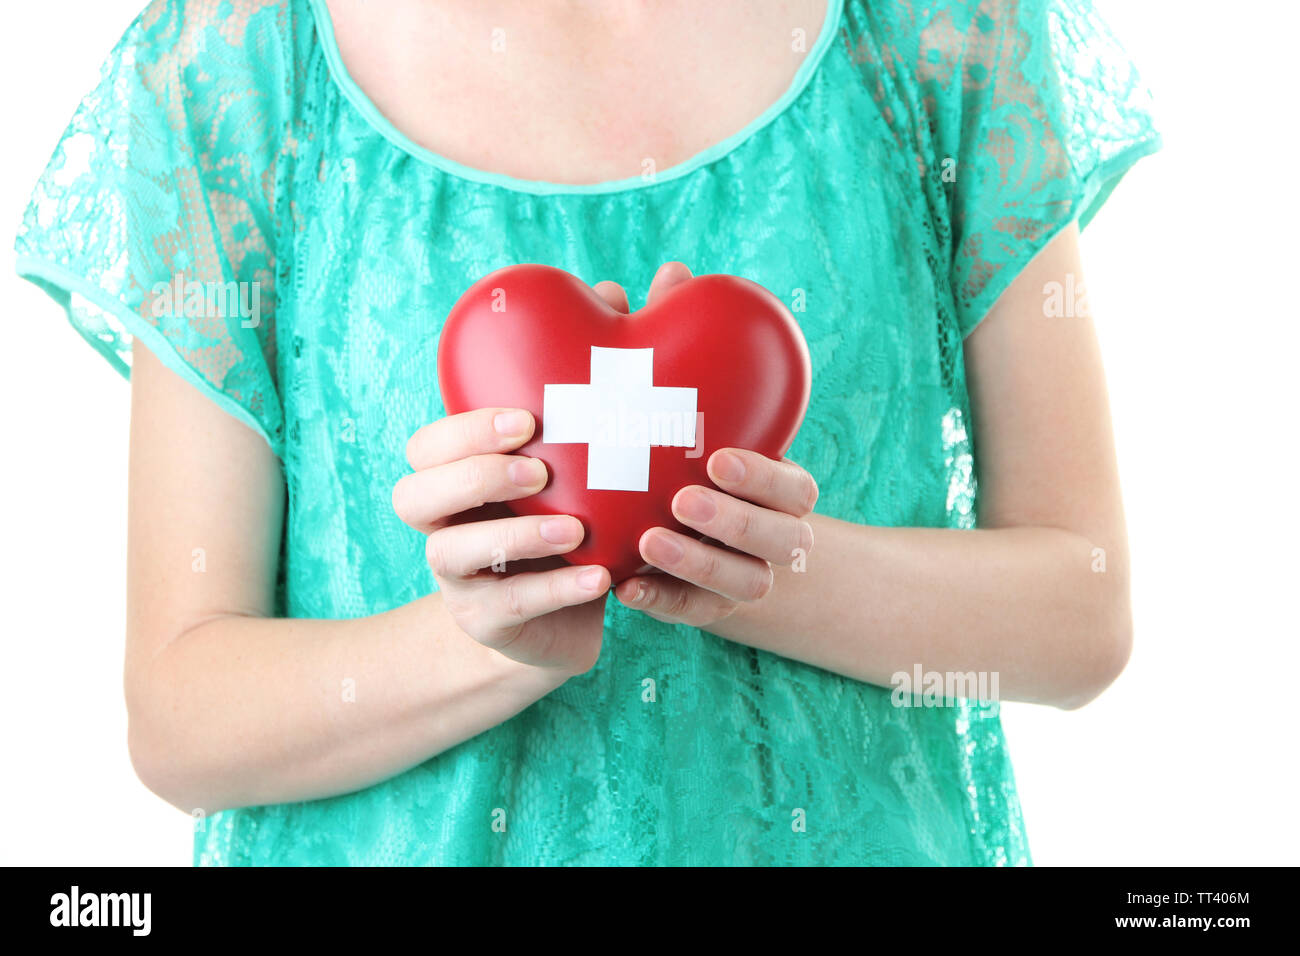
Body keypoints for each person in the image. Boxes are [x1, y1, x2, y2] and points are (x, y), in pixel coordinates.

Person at [15, 0, 1161, 865]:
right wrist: (481, 637)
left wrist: (764, 567)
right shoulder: (231, 61)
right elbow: (176, 714)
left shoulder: (944, 29)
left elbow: (1081, 612)